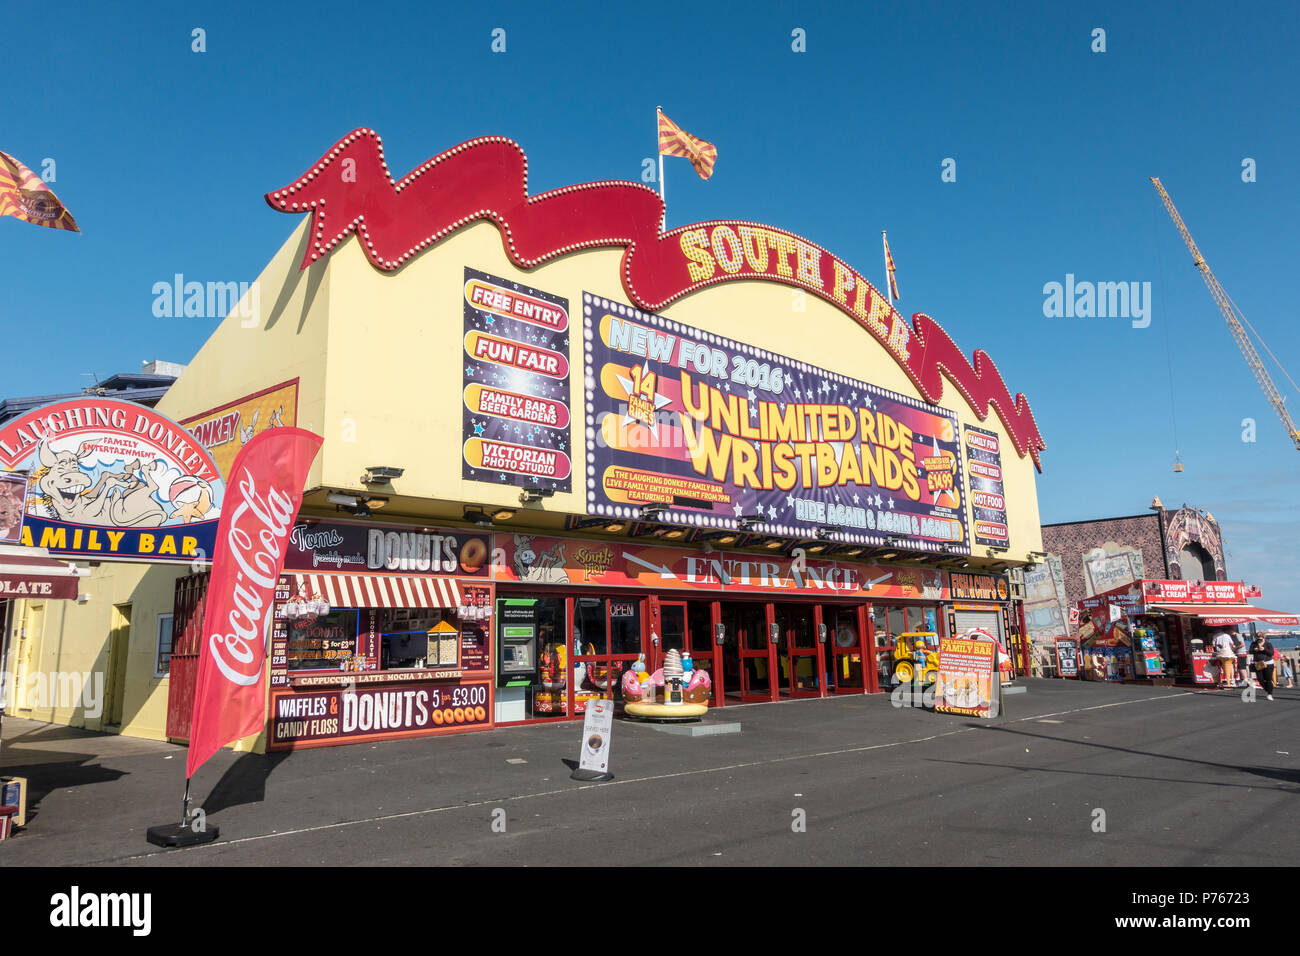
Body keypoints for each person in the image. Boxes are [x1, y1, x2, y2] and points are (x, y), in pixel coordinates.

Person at [1249, 635, 1276, 700]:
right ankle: (1268, 689)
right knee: (1260, 679)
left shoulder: (1268, 644)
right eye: (1258, 638)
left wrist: (1264, 649)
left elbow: (1271, 653)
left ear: (1264, 638)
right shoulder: (1254, 644)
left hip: (1268, 663)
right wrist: (1255, 650)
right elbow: (1250, 651)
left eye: (1261, 638)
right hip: (1258, 663)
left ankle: (1270, 694)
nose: (1259, 639)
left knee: (1268, 679)